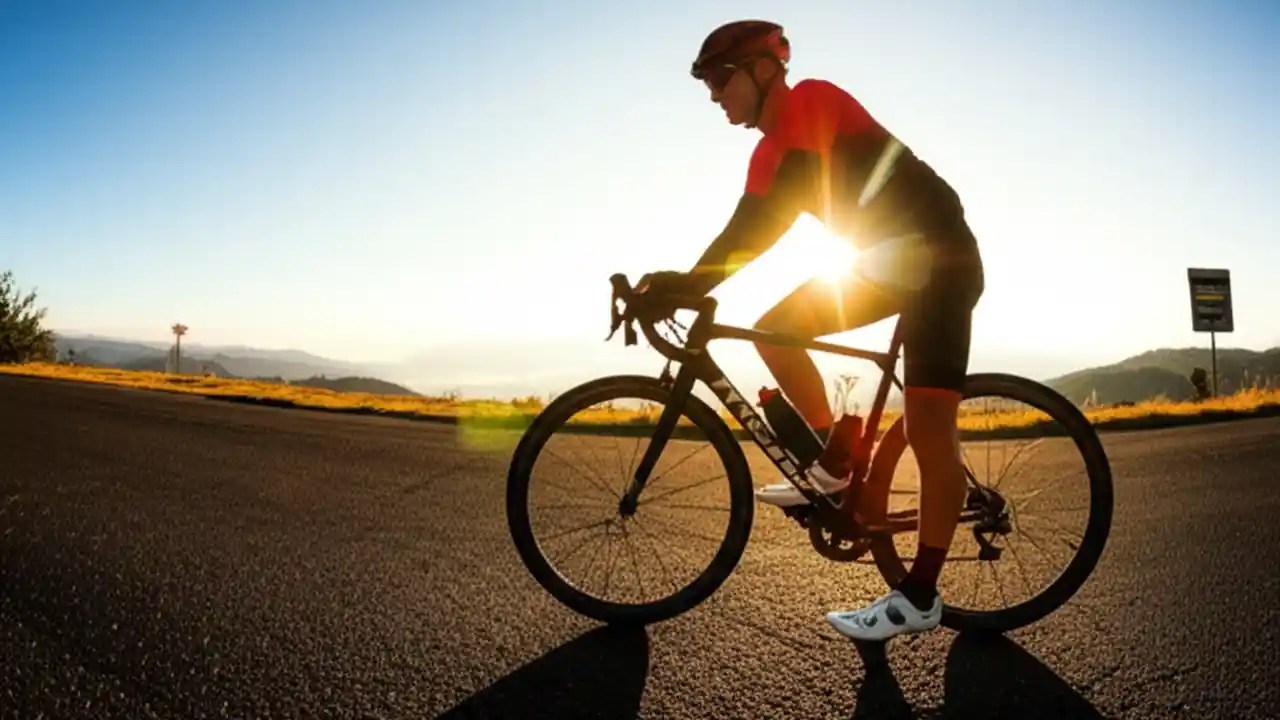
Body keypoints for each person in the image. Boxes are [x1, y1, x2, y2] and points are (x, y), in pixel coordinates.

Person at [638, 19, 985, 642]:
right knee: (776, 330)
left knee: (930, 428)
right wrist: (680, 283)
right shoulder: (766, 154)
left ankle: (920, 596)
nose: (714, 95)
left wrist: (688, 286)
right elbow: (740, 233)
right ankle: (838, 458)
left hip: (940, 260)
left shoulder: (814, 103)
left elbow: (760, 226)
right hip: (888, 265)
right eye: (708, 84)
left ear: (763, 70)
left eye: (720, 79)